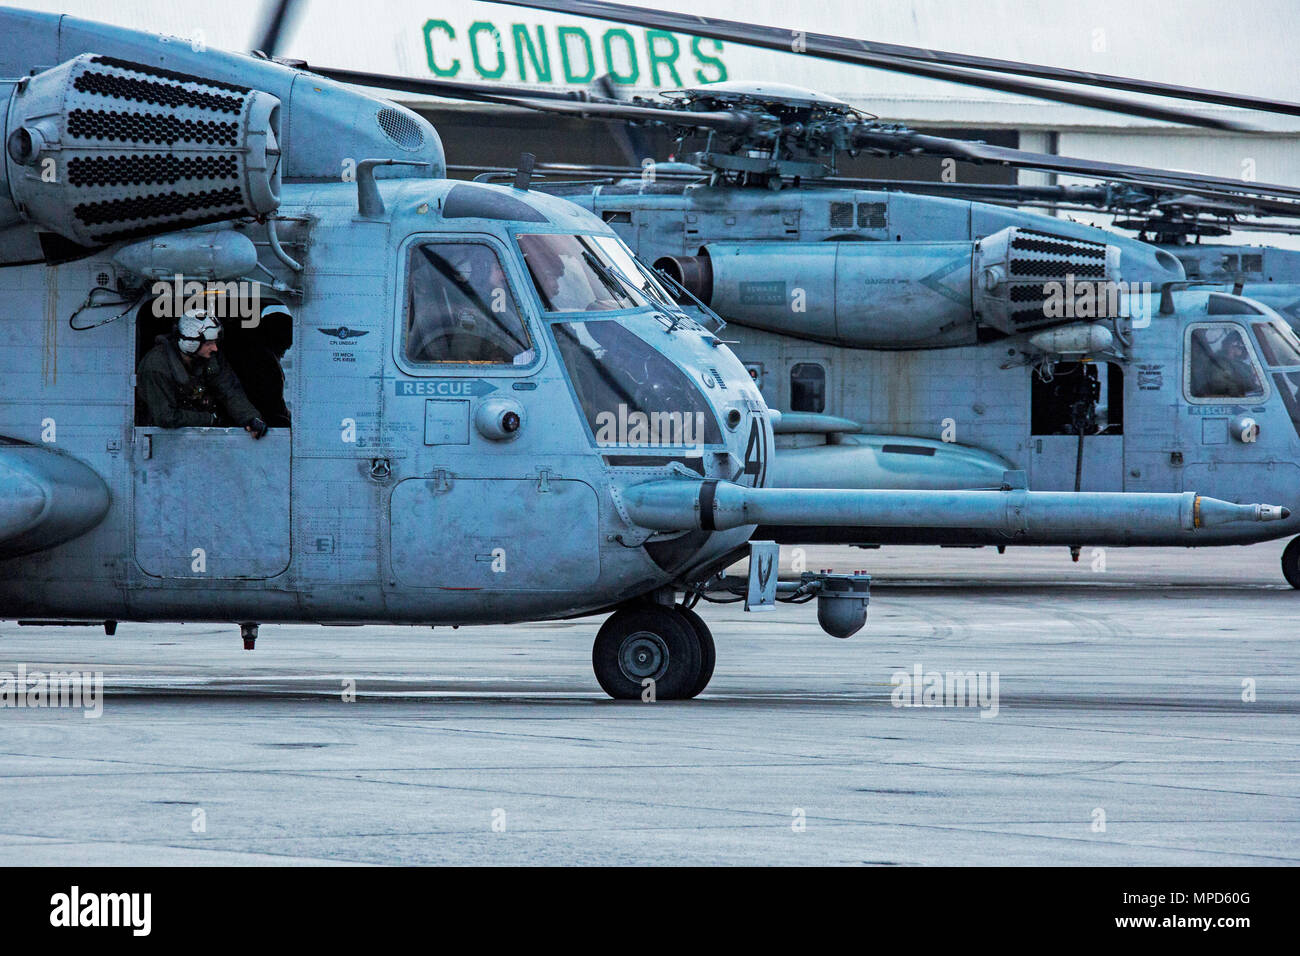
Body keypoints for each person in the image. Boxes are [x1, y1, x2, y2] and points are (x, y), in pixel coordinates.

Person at [136, 309, 268, 437]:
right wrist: (209, 419)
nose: (215, 348)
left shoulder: (209, 358)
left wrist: (250, 418)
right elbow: (165, 416)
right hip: (165, 438)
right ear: (190, 343)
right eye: (209, 343)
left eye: (215, 342)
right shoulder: (157, 367)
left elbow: (229, 390)